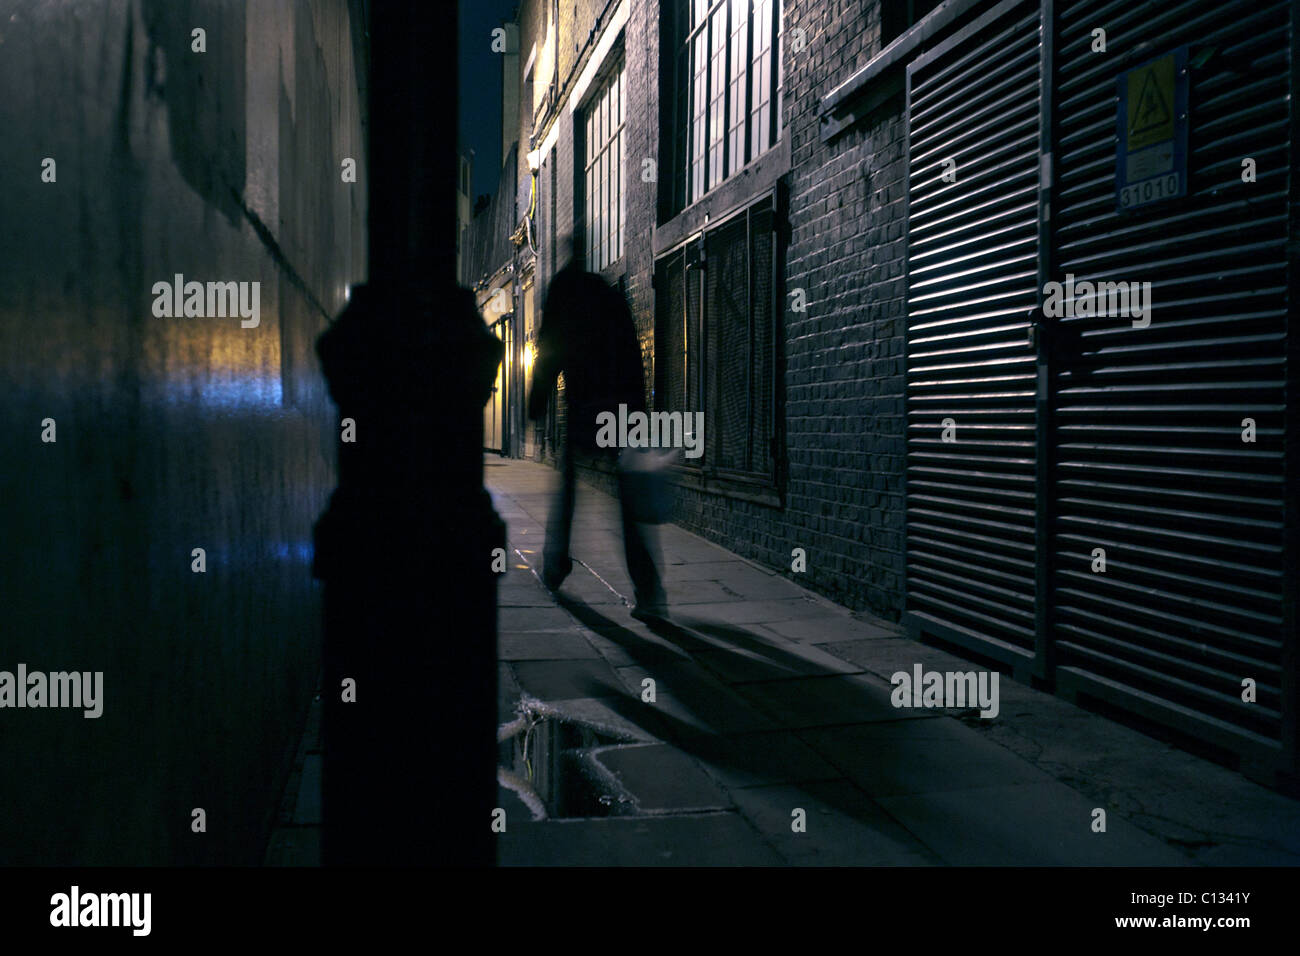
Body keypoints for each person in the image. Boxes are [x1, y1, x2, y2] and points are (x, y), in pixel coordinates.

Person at [528, 249, 668, 620]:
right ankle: (650, 590)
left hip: (585, 409)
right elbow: (632, 355)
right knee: (627, 500)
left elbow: (547, 354)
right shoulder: (607, 295)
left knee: (568, 488)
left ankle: (556, 564)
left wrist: (535, 403)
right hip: (620, 411)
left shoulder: (563, 293)